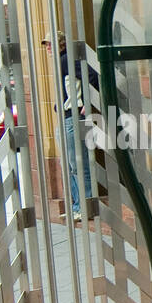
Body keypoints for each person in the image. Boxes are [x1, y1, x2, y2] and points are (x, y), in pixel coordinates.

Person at [43, 31, 100, 222]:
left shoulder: (67, 59)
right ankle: (78, 206)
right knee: (69, 165)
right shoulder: (62, 61)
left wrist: (87, 102)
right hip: (66, 116)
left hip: (73, 117)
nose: (48, 48)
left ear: (61, 43)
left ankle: (86, 206)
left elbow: (92, 76)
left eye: (51, 44)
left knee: (77, 163)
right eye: (46, 45)